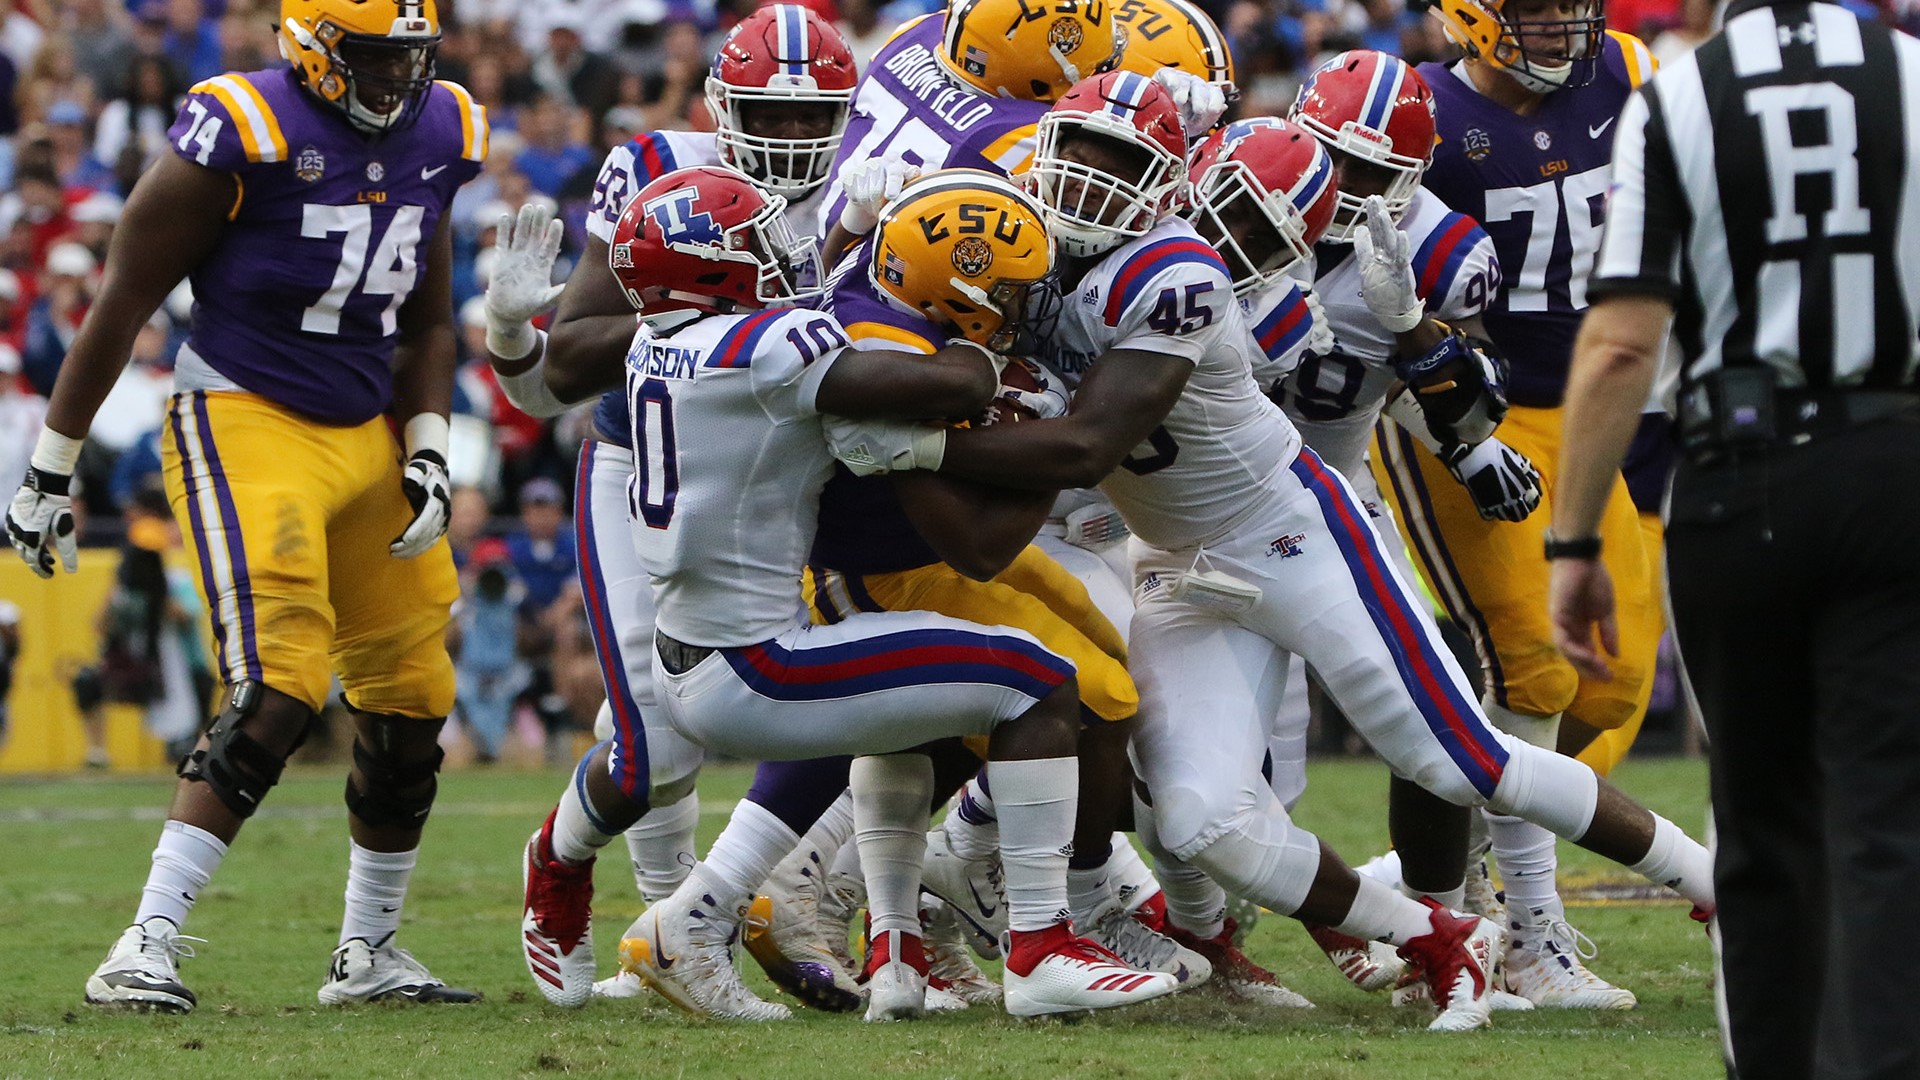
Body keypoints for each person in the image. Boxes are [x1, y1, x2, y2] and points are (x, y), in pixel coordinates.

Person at [833, 69, 1720, 1031]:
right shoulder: (1027, 240)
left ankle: (1715, 882)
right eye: (1082, 152)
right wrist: (859, 232)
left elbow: (1086, 446)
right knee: (1201, 821)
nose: (1091, 179)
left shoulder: (1178, 274)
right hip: (1174, 563)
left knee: (1459, 761)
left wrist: (924, 447)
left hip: (1290, 536)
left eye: (1121, 162)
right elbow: (904, 292)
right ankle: (1438, 937)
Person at [602, 163, 1180, 1021]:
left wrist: (863, 250)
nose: (783, 253)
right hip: (756, 662)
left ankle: (700, 925)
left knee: (951, 705)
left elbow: (830, 307)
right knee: (1038, 682)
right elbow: (956, 385)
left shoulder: (662, 342)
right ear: (713, 271)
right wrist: (985, 351)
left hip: (706, 647)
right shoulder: (764, 351)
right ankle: (1042, 947)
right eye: (757, 243)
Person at [6, 0, 487, 1013]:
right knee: (280, 680)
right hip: (243, 411)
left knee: (413, 690)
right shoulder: (244, 127)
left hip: (367, 426)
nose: (400, 80)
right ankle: (143, 943)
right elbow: (124, 297)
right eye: (375, 59)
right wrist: (52, 467)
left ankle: (369, 951)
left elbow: (429, 319)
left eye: (412, 58)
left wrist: (431, 445)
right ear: (313, 49)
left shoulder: (443, 126)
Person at [1552, 2, 1920, 1074]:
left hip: (1738, 482)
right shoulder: (1910, 74)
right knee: (1888, 820)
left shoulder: (1680, 97)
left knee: (1761, 829)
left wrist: (1574, 541)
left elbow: (1623, 344)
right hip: (1893, 461)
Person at [482, 5, 862, 1011]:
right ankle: (560, 863)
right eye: (769, 116)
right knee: (655, 741)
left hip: (788, 481)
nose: (791, 137)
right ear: (721, 108)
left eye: (811, 117)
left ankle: (700, 932)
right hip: (648, 468)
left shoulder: (866, 184)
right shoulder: (658, 167)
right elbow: (567, 363)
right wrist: (710, 316)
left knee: (828, 689)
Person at [1364, 0, 1664, 1008]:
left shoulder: (1625, 71)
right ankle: (1528, 934)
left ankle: (1446, 873)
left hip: (1585, 411)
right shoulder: (1419, 115)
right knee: (1531, 665)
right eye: (1535, 9)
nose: (1562, 26)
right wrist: (1449, 422)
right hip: (1468, 416)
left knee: (1611, 681)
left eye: (1571, 6)